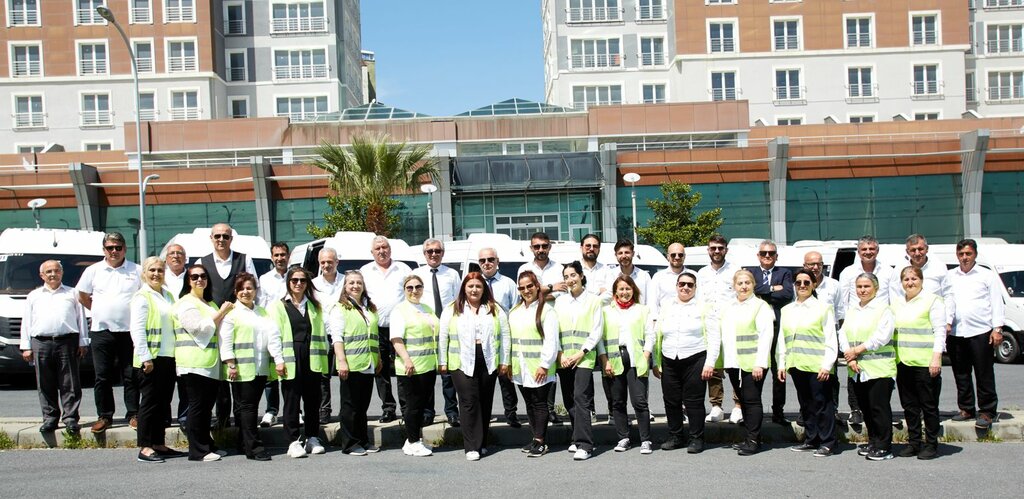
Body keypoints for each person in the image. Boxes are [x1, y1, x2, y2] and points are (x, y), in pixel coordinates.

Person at [440, 272, 511, 461]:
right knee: (469, 401)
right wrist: (442, 361)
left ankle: (482, 442)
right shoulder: (452, 309)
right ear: (464, 288)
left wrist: (505, 361)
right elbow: (443, 336)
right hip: (461, 361)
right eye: (470, 286)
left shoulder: (494, 309)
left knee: (485, 401)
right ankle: (471, 446)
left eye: (478, 286)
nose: (474, 289)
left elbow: (505, 336)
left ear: (484, 289)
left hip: (488, 360)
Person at [77, 231, 141, 434]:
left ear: (125, 249)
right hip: (101, 331)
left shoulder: (136, 270)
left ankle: (133, 413)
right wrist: (98, 310)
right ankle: (105, 416)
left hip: (129, 331)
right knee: (102, 376)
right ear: (104, 249)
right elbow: (83, 295)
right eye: (110, 248)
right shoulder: (93, 271)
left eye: (118, 248)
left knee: (131, 375)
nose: (114, 251)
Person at [220, 272, 285, 461]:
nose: (245, 292)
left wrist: (278, 359)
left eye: (249, 288)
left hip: (260, 368)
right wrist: (230, 363)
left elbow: (273, 338)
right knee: (248, 408)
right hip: (240, 369)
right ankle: (254, 448)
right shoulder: (231, 313)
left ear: (256, 291)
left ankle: (243, 443)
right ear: (235, 291)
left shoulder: (263, 313)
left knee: (244, 408)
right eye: (241, 289)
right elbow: (226, 342)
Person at [652, 272, 717, 454]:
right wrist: (656, 362)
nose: (685, 288)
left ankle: (696, 438)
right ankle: (676, 436)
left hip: (695, 358)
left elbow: (714, 336)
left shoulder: (704, 307)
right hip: (669, 358)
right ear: (676, 286)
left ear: (695, 288)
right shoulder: (666, 306)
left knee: (694, 401)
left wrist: (710, 363)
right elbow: (658, 333)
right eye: (682, 284)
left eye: (690, 285)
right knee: (671, 400)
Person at [21, 260, 88, 434]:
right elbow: (27, 322)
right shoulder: (34, 295)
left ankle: (71, 418)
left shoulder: (72, 293)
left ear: (62, 273)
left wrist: (83, 342)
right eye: (48, 271)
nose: (53, 274)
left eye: (56, 271)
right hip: (41, 342)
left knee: (70, 382)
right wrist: (26, 346)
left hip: (67, 341)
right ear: (42, 275)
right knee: (45, 382)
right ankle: (50, 418)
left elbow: (81, 319)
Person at [174, 264, 233, 462]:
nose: (200, 280)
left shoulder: (209, 303)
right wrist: (222, 312)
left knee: (206, 407)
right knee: (197, 407)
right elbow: (199, 328)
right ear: (188, 281)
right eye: (194, 277)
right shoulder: (186, 303)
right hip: (193, 362)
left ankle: (207, 444)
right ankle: (197, 450)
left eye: (203, 276)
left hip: (209, 363)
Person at [777, 269, 838, 457]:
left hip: (817, 365)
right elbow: (782, 338)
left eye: (806, 282)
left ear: (814, 285)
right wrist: (781, 363)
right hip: (796, 364)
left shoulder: (823, 307)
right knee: (806, 404)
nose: (802, 286)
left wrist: (827, 365)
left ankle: (828, 441)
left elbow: (830, 338)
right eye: (798, 283)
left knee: (822, 404)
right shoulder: (787, 310)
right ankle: (811, 439)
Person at [268, 267, 329, 458]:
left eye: (303, 280)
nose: (299, 284)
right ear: (288, 282)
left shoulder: (315, 305)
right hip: (290, 358)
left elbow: (322, 333)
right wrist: (278, 359)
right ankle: (293, 441)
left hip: (312, 357)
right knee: (292, 402)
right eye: (294, 280)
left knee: (313, 400)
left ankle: (312, 437)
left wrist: (324, 354)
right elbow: (274, 335)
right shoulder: (278, 306)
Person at [200, 223, 256, 430]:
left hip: (240, 324)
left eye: (225, 236)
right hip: (214, 323)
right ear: (211, 238)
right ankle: (222, 420)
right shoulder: (203, 262)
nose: (221, 239)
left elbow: (253, 287)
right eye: (217, 236)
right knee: (220, 374)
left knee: (240, 373)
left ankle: (242, 423)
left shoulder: (244, 259)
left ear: (231, 238)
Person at [944, 239, 1003, 429]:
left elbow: (996, 303)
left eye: (968, 254)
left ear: (975, 254)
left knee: (983, 372)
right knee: (961, 373)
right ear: (957, 255)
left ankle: (987, 411)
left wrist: (997, 328)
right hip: (956, 332)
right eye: (961, 254)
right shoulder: (950, 276)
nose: (964, 257)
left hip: (981, 331)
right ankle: (966, 408)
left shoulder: (987, 275)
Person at [130, 256, 184, 463]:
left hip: (168, 357)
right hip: (150, 359)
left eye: (160, 270)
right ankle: (145, 446)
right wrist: (145, 357)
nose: (156, 274)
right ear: (144, 273)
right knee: (149, 404)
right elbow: (137, 330)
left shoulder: (168, 295)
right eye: (152, 270)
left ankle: (158, 443)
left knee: (163, 403)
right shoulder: (142, 297)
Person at [840, 273, 896, 461]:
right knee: (866, 408)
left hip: (879, 367)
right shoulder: (853, 309)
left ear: (876, 288)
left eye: (866, 286)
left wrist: (857, 350)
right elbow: (844, 333)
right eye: (859, 287)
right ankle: (873, 441)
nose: (862, 290)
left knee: (879, 408)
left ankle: (884, 446)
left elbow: (882, 336)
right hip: (857, 367)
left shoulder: (883, 309)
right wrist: (850, 356)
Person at [718, 269, 775, 456]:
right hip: (734, 362)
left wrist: (759, 363)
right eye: (740, 283)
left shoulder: (761, 306)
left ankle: (753, 440)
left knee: (752, 400)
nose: (743, 286)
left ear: (753, 285)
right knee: (743, 400)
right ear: (734, 286)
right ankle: (750, 437)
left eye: (747, 283)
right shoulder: (729, 307)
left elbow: (766, 336)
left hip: (753, 363)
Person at [892, 265, 945, 460]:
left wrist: (936, 357)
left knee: (928, 406)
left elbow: (939, 330)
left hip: (925, 362)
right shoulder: (897, 303)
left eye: (914, 278)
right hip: (903, 361)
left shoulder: (933, 301)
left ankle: (931, 444)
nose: (910, 282)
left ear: (921, 280)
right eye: (906, 279)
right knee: (910, 406)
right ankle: (914, 442)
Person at [327, 270, 382, 456]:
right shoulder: (339, 308)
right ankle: (350, 444)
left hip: (368, 363)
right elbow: (337, 337)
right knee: (350, 406)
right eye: (351, 283)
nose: (355, 286)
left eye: (359, 282)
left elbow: (373, 336)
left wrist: (379, 358)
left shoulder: (368, 307)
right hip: (351, 363)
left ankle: (363, 441)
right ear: (345, 286)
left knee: (362, 406)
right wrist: (341, 361)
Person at [553, 261, 604, 460]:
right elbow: (554, 331)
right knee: (569, 400)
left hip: (584, 357)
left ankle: (585, 444)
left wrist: (582, 352)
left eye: (573, 275)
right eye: (566, 276)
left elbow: (597, 330)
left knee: (581, 399)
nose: (570, 279)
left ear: (581, 276)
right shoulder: (560, 302)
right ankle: (576, 437)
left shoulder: (593, 301)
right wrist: (560, 354)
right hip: (564, 358)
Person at [360, 235, 412, 424]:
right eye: (378, 248)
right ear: (372, 252)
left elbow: (412, 294)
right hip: (376, 328)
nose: (382, 251)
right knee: (380, 370)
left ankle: (407, 408)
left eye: (385, 247)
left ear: (390, 249)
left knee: (403, 368)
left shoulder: (403, 269)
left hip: (400, 329)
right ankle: (388, 408)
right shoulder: (365, 271)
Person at [506, 271, 558, 458]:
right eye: (522, 287)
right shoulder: (514, 312)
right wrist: (510, 364)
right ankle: (535, 438)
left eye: (530, 286)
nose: (526, 290)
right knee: (528, 403)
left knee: (540, 404)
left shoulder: (547, 311)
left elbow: (551, 341)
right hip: (520, 366)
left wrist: (544, 365)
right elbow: (511, 341)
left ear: (537, 286)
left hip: (539, 367)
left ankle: (541, 441)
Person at [601, 275, 654, 455]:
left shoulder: (643, 310)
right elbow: (600, 338)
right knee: (617, 402)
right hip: (614, 360)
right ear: (615, 291)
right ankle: (623, 437)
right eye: (621, 289)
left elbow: (650, 335)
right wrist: (605, 360)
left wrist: (646, 355)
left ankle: (646, 439)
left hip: (636, 360)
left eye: (628, 288)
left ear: (634, 290)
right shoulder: (606, 311)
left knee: (639, 401)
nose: (625, 292)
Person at [518, 232, 567, 424]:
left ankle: (550, 408)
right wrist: (549, 287)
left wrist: (539, 291)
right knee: (537, 366)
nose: (541, 250)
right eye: (537, 246)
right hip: (531, 322)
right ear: (531, 248)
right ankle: (540, 410)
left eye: (544, 246)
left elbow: (562, 294)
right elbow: (525, 294)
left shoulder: (559, 268)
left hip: (554, 320)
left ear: (550, 247)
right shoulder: (524, 268)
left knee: (551, 366)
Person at [412, 238, 461, 427]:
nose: (433, 254)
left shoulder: (452, 274)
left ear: (443, 252)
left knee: (448, 374)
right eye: (429, 251)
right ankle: (427, 412)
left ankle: (452, 411)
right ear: (424, 254)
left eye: (437, 251)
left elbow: (458, 301)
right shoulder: (417, 274)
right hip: (426, 329)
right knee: (427, 373)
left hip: (447, 329)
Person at [743, 239, 793, 424]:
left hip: (778, 327)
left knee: (779, 372)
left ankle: (778, 413)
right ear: (758, 255)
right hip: (755, 330)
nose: (767, 256)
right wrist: (772, 288)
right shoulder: (750, 272)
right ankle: (752, 413)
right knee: (755, 372)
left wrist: (761, 291)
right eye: (763, 253)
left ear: (776, 256)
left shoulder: (785, 272)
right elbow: (748, 290)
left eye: (771, 253)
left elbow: (787, 294)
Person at [390, 275, 438, 457]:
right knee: (412, 406)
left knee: (421, 405)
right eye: (409, 287)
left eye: (418, 287)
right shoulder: (400, 310)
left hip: (427, 366)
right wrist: (407, 359)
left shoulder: (426, 308)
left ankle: (413, 439)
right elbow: (396, 338)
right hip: (411, 367)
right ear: (404, 290)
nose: (414, 291)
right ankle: (412, 441)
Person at [696, 234, 741, 424]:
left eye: (720, 248)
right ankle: (716, 406)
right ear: (708, 250)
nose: (716, 251)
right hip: (709, 323)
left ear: (726, 250)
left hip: (731, 323)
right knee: (713, 365)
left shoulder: (735, 271)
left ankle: (738, 406)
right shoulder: (702, 274)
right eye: (713, 248)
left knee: (734, 365)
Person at [805, 250, 851, 425]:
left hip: (828, 338)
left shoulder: (834, 285)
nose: (816, 267)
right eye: (811, 264)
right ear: (805, 266)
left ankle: (834, 410)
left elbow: (840, 313)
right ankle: (807, 411)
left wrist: (840, 337)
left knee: (831, 377)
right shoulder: (801, 284)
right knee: (808, 378)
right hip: (807, 339)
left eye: (819, 264)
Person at [477, 247, 521, 428]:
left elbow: (516, 308)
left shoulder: (508, 283)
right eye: (483, 261)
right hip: (482, 340)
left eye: (490, 259)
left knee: (506, 380)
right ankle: (482, 417)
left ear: (497, 261)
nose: (487, 263)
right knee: (483, 382)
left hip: (503, 338)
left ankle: (511, 414)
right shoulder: (474, 283)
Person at [257, 242, 289, 428]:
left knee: (290, 374)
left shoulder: (295, 277)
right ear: (272, 257)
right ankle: (271, 411)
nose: (279, 258)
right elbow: (261, 306)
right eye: (276, 255)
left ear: (288, 256)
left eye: (283, 255)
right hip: (271, 330)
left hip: (290, 330)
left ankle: (294, 411)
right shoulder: (265, 279)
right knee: (271, 375)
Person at [312, 247, 343, 422]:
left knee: (345, 373)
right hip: (322, 335)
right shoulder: (313, 284)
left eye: (330, 262)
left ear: (337, 262)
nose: (326, 265)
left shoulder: (346, 282)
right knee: (323, 376)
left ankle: (346, 410)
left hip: (343, 335)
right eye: (323, 262)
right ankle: (324, 411)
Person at [163, 244, 190, 427]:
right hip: (165, 335)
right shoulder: (160, 276)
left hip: (187, 335)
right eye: (172, 253)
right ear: (166, 258)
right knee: (165, 381)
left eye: (179, 253)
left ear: (185, 258)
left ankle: (185, 418)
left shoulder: (193, 276)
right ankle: (164, 417)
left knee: (185, 381)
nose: (175, 256)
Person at [838, 235, 895, 321]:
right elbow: (843, 302)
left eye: (871, 249)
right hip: (856, 321)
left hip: (881, 321)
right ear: (858, 252)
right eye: (864, 249)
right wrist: (846, 322)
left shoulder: (889, 271)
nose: (868, 252)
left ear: (877, 251)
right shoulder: (847, 272)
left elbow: (894, 300)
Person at [891, 234, 947, 299]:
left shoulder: (939, 267)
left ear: (927, 249)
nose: (917, 253)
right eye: (913, 250)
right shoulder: (899, 269)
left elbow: (948, 294)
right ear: (907, 252)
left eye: (920, 249)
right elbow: (894, 293)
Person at [649, 243, 693, 317]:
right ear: (668, 257)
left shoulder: (694, 276)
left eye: (680, 255)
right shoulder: (658, 277)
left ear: (684, 257)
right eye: (673, 255)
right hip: (665, 322)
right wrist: (654, 320)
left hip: (689, 320)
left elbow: (699, 299)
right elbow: (653, 302)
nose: (677, 257)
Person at [579, 234, 610, 300]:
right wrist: (599, 291)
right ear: (581, 248)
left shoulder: (607, 270)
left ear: (599, 249)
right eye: (588, 246)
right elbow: (571, 293)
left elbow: (610, 294)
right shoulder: (573, 269)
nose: (591, 249)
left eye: (595, 246)